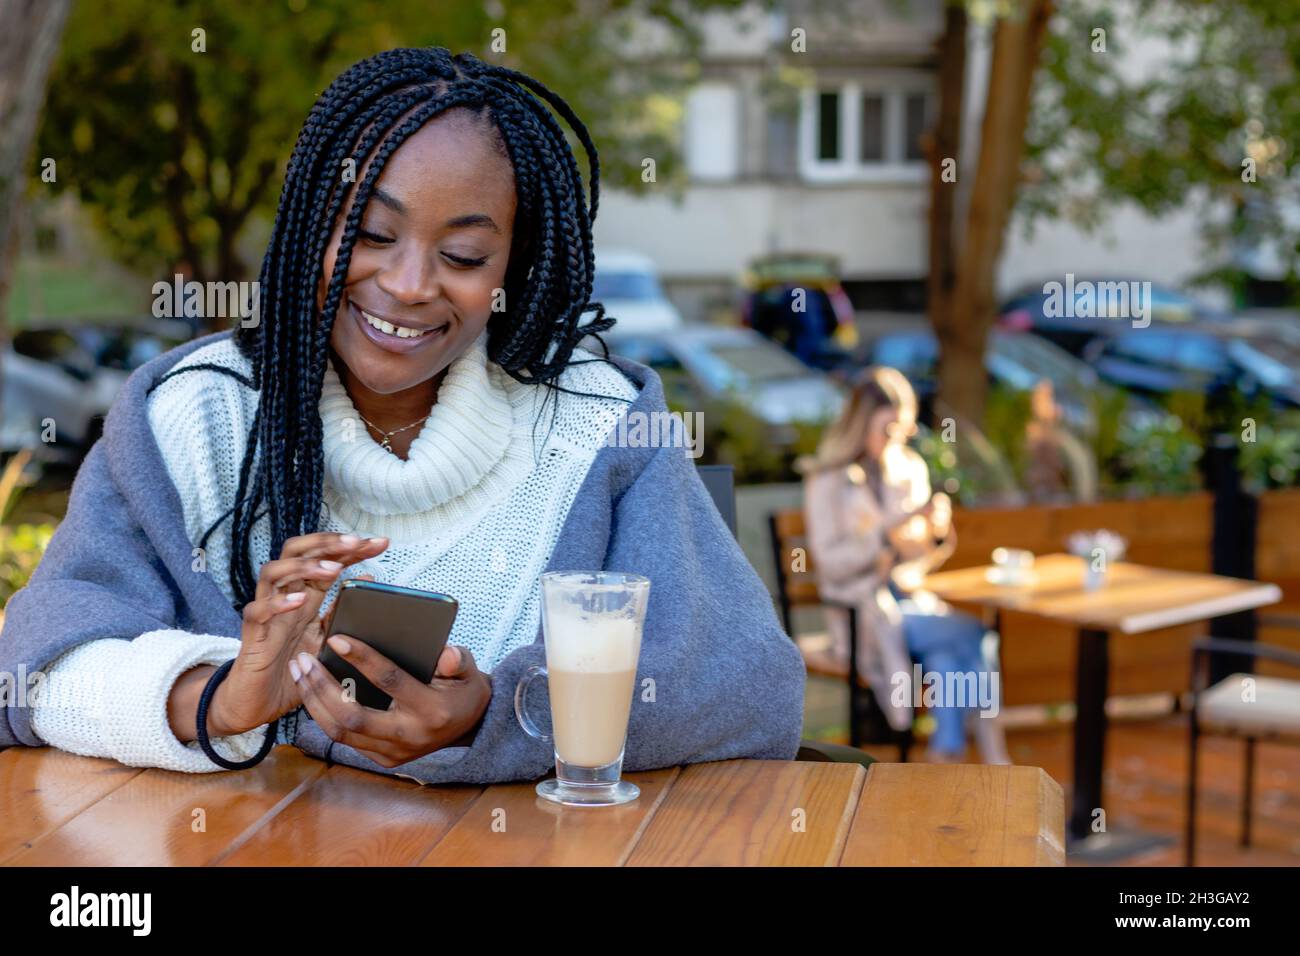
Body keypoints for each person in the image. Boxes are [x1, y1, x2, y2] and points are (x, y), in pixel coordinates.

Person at [0, 48, 806, 782]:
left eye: (463, 256)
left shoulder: (600, 424)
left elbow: (749, 690)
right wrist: (223, 699)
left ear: (512, 269)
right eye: (371, 232)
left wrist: (498, 716)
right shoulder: (191, 414)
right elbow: (34, 673)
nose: (412, 283)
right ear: (311, 223)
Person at [798, 367, 1010, 764]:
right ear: (861, 424)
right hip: (862, 609)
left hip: (911, 599)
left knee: (949, 663)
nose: (893, 439)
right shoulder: (827, 481)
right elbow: (829, 563)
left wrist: (936, 535)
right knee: (976, 634)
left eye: (900, 429)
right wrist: (882, 537)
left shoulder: (908, 467)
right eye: (885, 429)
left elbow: (921, 559)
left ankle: (946, 755)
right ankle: (990, 750)